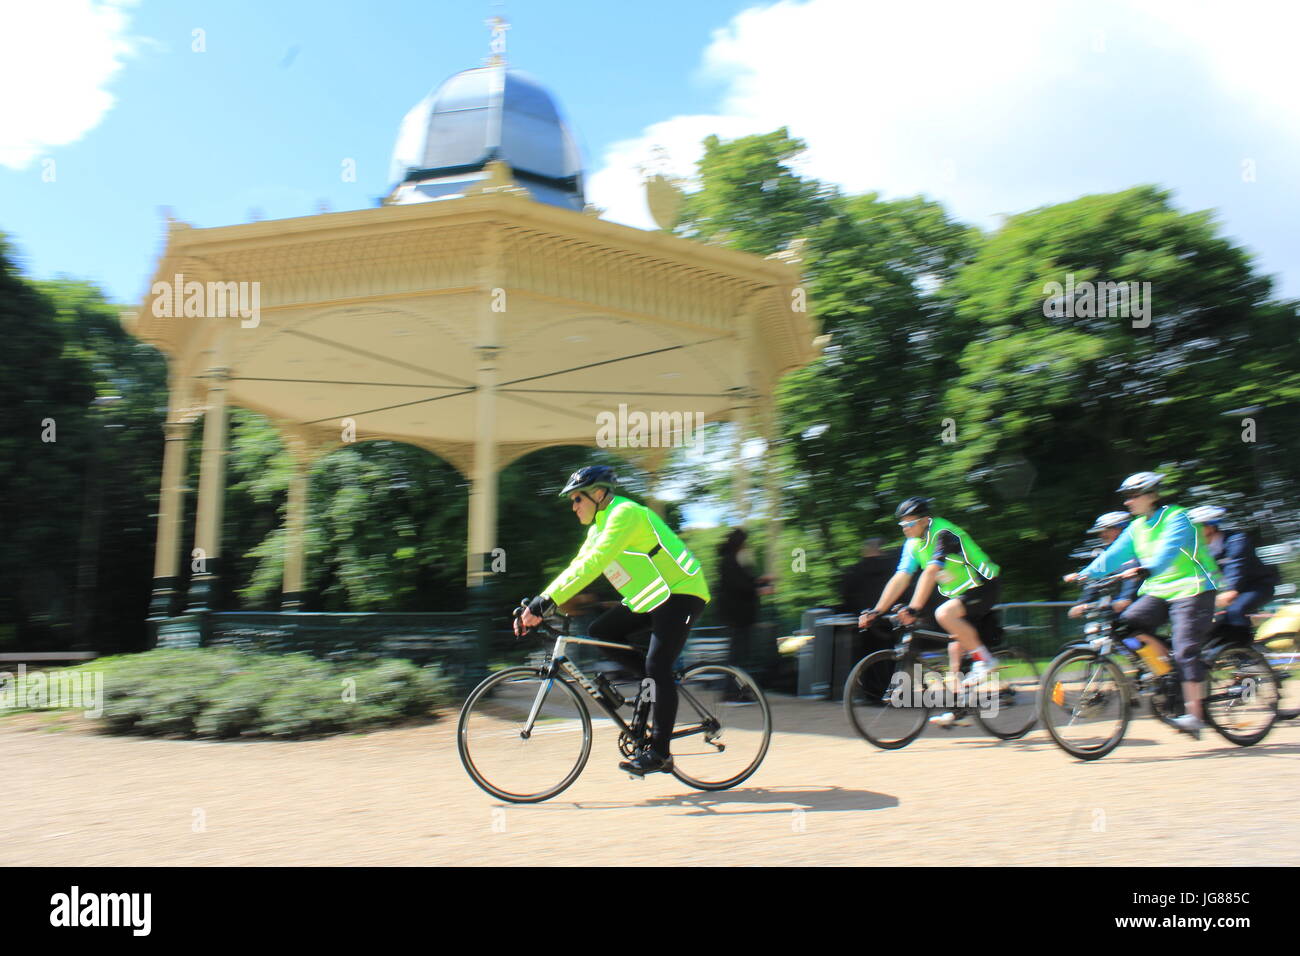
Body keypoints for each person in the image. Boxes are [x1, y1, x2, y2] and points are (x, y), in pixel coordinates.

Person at [514, 465, 710, 776]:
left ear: (598, 493)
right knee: (600, 631)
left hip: (682, 593)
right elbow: (578, 566)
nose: (573, 506)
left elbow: (596, 562)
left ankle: (660, 753)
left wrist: (544, 603)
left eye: (577, 498)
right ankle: (655, 684)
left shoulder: (625, 514)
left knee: (657, 666)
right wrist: (542, 601)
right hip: (651, 598)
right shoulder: (597, 528)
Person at [1076, 472, 1220, 738]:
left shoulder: (1177, 517)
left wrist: (1147, 567)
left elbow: (1168, 551)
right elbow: (1113, 555)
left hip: (1194, 588)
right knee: (1125, 625)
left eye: (1133, 496)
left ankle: (1194, 715)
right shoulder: (1137, 527)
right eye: (1126, 498)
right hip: (1160, 590)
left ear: (1152, 495)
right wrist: (1086, 573)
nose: (1128, 502)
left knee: (1185, 646)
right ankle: (1167, 670)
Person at [858, 497, 1003, 727]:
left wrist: (913, 609)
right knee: (954, 648)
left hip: (983, 584)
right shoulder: (912, 544)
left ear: (925, 520)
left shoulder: (942, 532)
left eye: (909, 524)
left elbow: (931, 572)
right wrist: (877, 610)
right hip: (962, 594)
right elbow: (901, 578)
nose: (905, 528)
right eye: (902, 525)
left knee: (944, 614)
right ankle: (957, 710)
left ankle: (985, 660)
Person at [1187, 505, 1279, 645]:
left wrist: (1230, 590)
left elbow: (1236, 567)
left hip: (1256, 587)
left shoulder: (1236, 540)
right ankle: (1226, 651)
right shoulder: (1199, 551)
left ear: (1210, 527)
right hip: (1227, 592)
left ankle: (1247, 654)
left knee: (1235, 610)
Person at [715, 529, 772, 694]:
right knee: (737, 656)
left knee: (739, 655)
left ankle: (736, 691)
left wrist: (759, 581)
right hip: (738, 616)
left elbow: (742, 582)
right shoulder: (730, 561)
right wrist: (759, 590)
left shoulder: (731, 560)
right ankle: (732, 692)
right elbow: (738, 586)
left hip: (739, 615)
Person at [1064, 512, 1139, 618]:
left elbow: (1133, 577)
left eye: (1105, 531)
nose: (1101, 535)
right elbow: (1097, 579)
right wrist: (1082, 603)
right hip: (1118, 607)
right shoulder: (1105, 555)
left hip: (1140, 603)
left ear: (1121, 529)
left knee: (1130, 627)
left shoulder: (1136, 552)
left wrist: (1125, 598)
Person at [840, 538, 894, 615]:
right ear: (882, 550)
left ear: (864, 550)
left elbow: (846, 596)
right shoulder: (894, 569)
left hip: (862, 617)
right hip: (890, 614)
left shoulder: (852, 571)